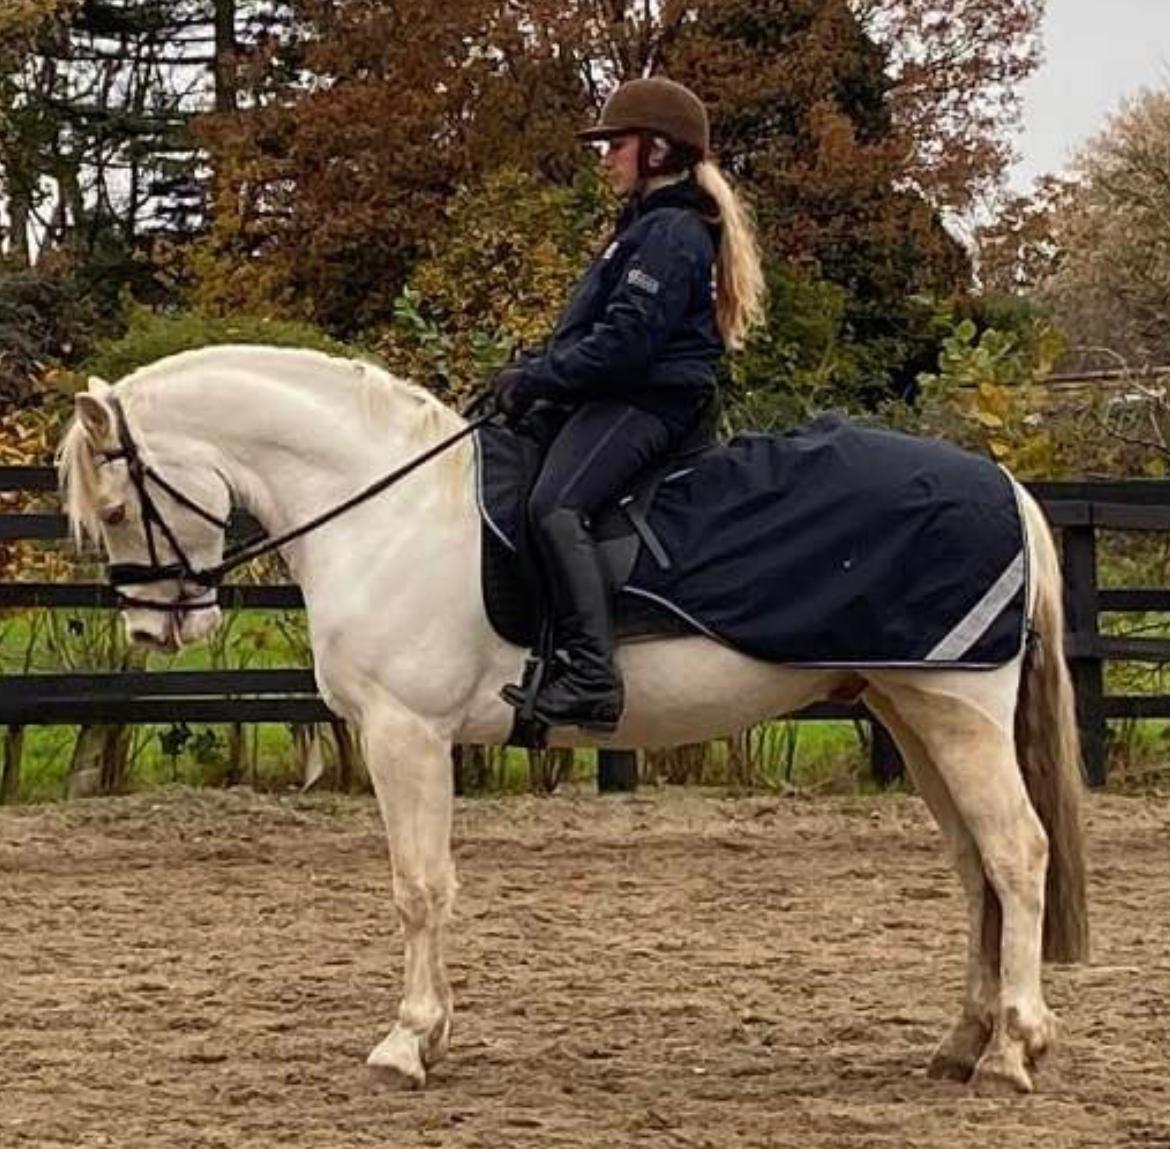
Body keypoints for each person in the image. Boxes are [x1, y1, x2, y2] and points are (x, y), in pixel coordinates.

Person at [494, 76, 766, 732]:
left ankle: (591, 673)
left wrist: (541, 381)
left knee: (555, 505)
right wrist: (532, 371)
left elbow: (624, 347)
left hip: (651, 402)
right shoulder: (641, 227)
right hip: (625, 393)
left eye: (617, 143)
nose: (606, 156)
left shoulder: (670, 233)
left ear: (659, 151)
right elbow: (593, 335)